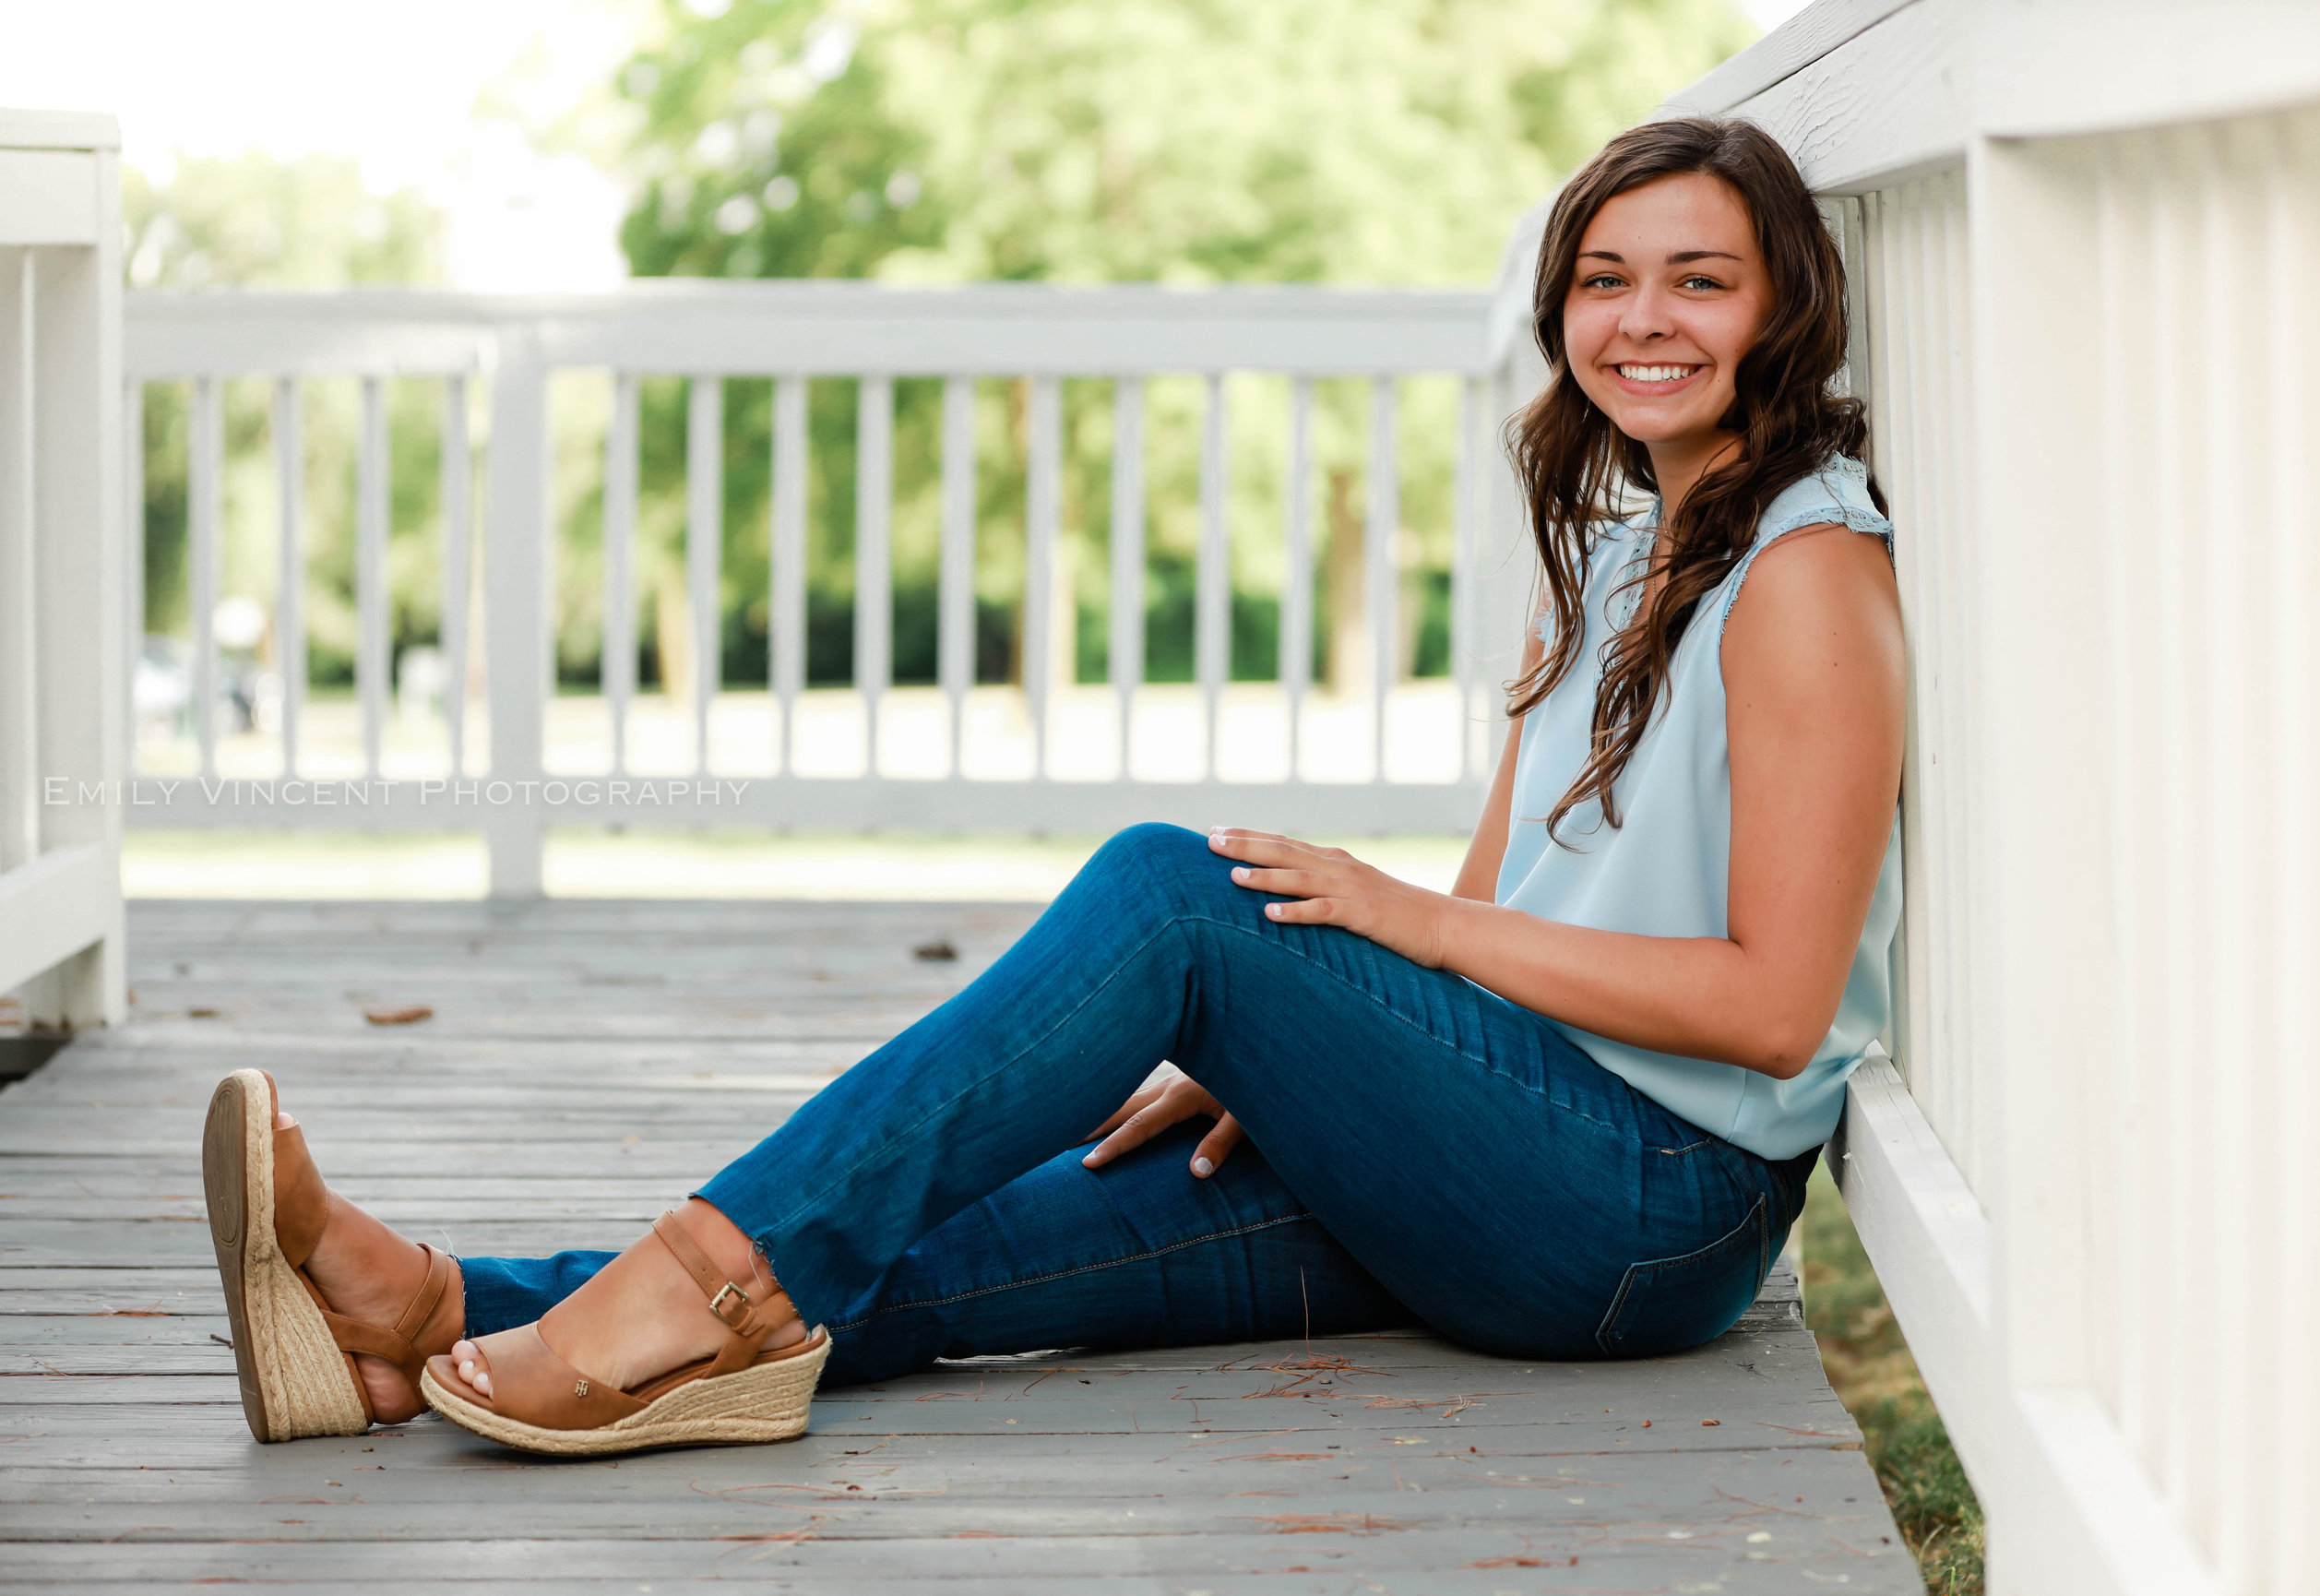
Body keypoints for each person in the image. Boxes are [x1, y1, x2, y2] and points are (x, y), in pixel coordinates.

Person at [200, 115, 1906, 1455]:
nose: (1643, 320)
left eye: (1699, 279)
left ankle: (656, 1287)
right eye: (1607, 279)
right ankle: (423, 1329)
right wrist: (1320, 1053)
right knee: (964, 1240)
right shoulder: (1621, 549)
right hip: (1514, 1138)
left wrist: (1400, 946)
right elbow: (1491, 910)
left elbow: (1771, 1009)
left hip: (1638, 1213)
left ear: (1784, 306)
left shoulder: (1808, 573)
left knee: (1177, 888)